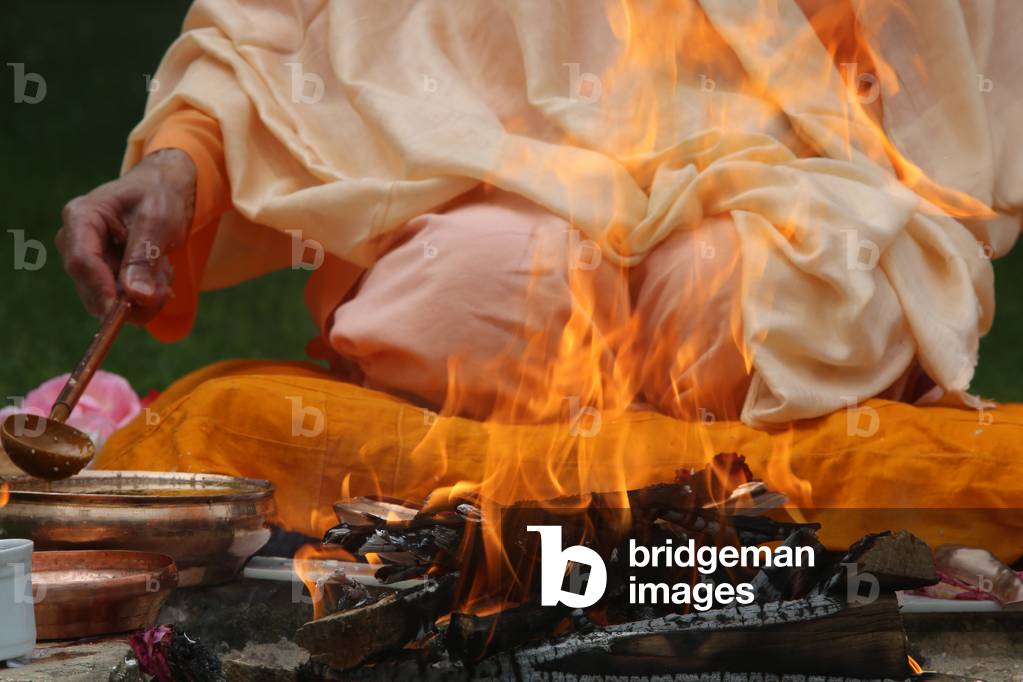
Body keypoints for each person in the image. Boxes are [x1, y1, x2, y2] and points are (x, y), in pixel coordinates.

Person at [57, 0, 1020, 429]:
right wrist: (188, 160)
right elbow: (278, 26)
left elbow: (942, 67)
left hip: (788, 186)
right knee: (470, 298)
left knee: (769, 307)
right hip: (490, 174)